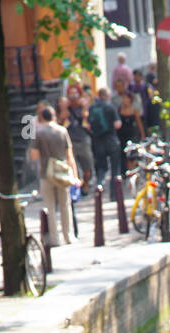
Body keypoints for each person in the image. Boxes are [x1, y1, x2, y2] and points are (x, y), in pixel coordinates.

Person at [29, 106, 79, 247]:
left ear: (42, 118)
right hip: (62, 171)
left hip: (46, 172)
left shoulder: (39, 133)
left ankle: (54, 238)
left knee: (50, 207)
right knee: (65, 204)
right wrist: (75, 175)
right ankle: (68, 235)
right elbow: (70, 155)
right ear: (54, 116)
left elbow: (34, 156)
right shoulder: (62, 131)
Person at [89, 88, 122, 192]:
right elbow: (117, 124)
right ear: (107, 96)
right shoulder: (110, 107)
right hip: (111, 139)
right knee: (115, 168)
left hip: (98, 141)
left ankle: (99, 187)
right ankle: (114, 193)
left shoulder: (92, 108)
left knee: (101, 167)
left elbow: (88, 124)